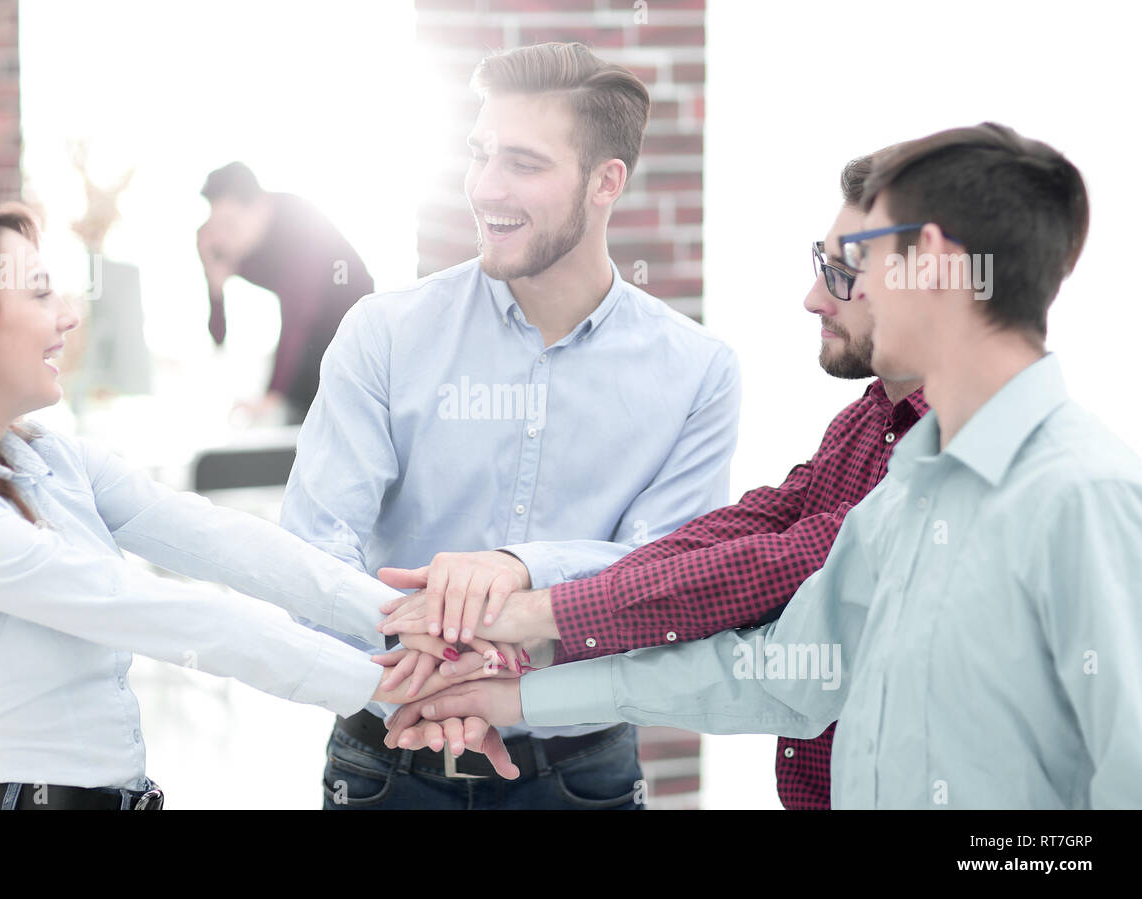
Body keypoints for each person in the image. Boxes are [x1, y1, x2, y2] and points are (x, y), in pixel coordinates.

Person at [388, 122, 1142, 809]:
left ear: (936, 265)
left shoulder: (1085, 496)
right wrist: (510, 696)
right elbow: (781, 677)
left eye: (860, 261)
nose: (835, 294)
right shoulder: (908, 492)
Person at [0, 205, 499, 810]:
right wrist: (393, 684)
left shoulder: (51, 458)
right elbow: (161, 611)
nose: (69, 315)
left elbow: (220, 538)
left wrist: (399, 622)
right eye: (40, 293)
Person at [380, 151, 929, 808]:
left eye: (841, 274)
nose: (813, 297)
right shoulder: (866, 421)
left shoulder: (947, 463)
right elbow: (746, 527)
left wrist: (531, 618)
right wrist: (523, 636)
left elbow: (777, 578)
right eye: (822, 265)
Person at [279, 42, 742, 810]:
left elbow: (665, 582)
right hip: (384, 765)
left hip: (579, 775)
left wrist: (521, 566)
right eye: (480, 153)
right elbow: (312, 554)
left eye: (523, 163)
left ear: (606, 182)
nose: (486, 186)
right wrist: (416, 674)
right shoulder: (384, 333)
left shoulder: (697, 371)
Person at [196, 162, 373, 424]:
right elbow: (218, 337)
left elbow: (298, 315)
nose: (222, 236)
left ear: (261, 207)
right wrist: (215, 287)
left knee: (300, 411)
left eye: (230, 224)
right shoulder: (224, 243)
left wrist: (272, 396)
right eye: (216, 224)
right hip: (305, 329)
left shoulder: (297, 223)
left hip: (347, 319)